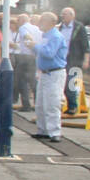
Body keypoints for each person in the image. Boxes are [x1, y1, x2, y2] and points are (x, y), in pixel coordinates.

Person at [33, 11, 68, 140]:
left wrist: (34, 46)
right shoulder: (45, 36)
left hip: (54, 72)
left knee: (52, 103)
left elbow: (49, 53)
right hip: (45, 73)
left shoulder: (55, 37)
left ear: (51, 23)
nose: (40, 23)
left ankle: (54, 132)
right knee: (41, 104)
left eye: (43, 21)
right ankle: (43, 130)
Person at [59, 7, 90, 112]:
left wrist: (86, 60)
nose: (62, 16)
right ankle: (69, 104)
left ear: (72, 15)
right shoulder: (60, 27)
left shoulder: (79, 27)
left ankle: (72, 106)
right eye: (62, 14)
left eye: (65, 14)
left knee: (71, 83)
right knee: (62, 82)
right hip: (61, 59)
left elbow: (85, 45)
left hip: (74, 59)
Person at [13, 13, 39, 112]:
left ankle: (26, 105)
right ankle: (37, 104)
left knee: (21, 81)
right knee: (33, 81)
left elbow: (27, 36)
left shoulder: (23, 28)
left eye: (18, 20)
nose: (17, 23)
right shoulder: (36, 28)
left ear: (22, 20)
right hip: (34, 56)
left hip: (25, 56)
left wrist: (31, 44)